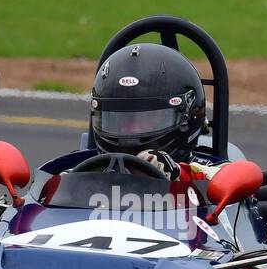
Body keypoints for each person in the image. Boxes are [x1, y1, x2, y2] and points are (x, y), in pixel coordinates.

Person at [89, 42, 221, 180]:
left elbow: (243, 173)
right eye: (121, 119)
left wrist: (181, 174)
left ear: (186, 119)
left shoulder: (205, 170)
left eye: (146, 118)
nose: (132, 129)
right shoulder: (85, 166)